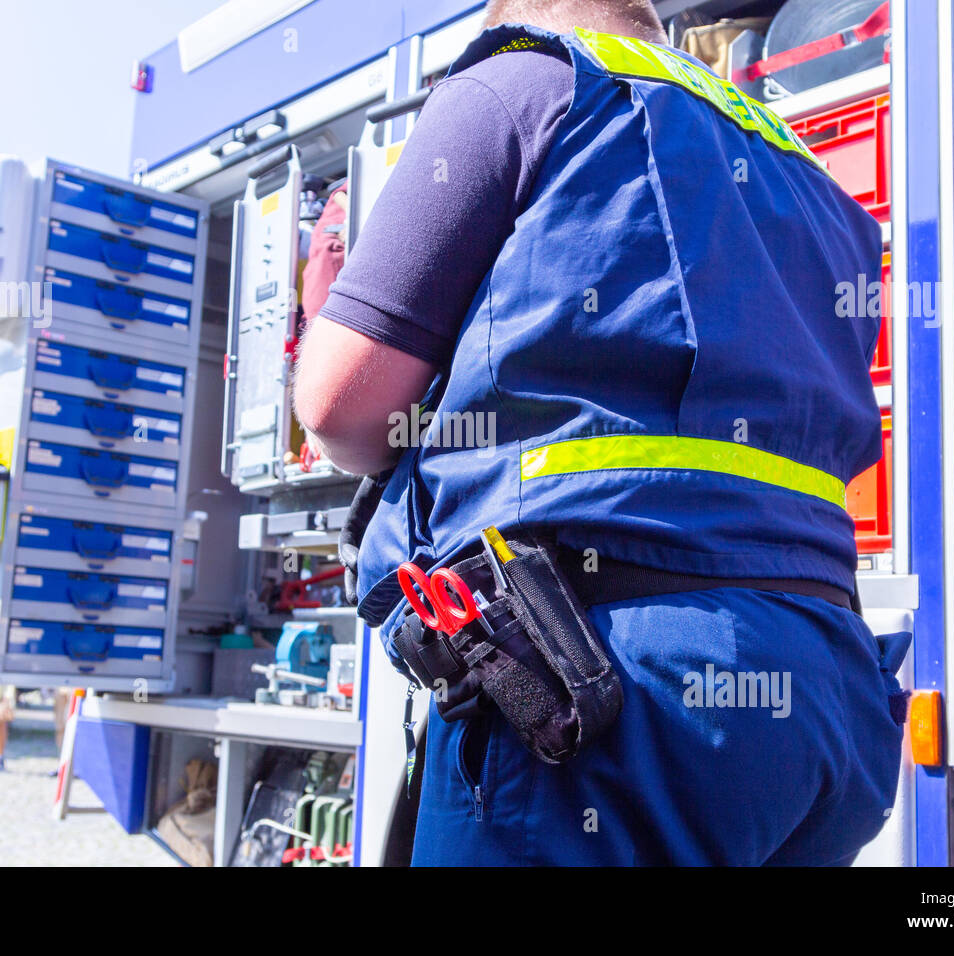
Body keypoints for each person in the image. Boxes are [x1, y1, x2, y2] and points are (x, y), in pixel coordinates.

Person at [294, 0, 902, 865]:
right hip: (827, 692)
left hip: (611, 692)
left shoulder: (523, 83)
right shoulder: (804, 171)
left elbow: (337, 407)